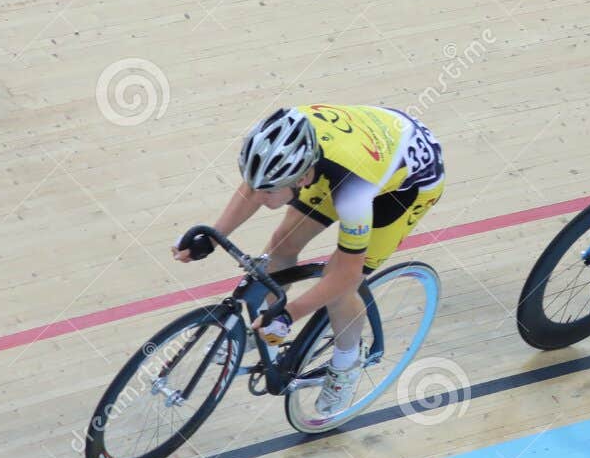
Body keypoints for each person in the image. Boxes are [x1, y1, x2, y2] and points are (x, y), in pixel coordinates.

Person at [176, 105, 445, 422]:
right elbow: (254, 183)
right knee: (282, 243)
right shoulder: (284, 142)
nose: (258, 197)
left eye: (269, 191)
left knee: (339, 285)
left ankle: (347, 364)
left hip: (404, 187)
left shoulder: (353, 192)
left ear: (302, 177)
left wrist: (290, 315)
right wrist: (213, 236)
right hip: (365, 144)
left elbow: (346, 274)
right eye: (256, 186)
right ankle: (267, 332)